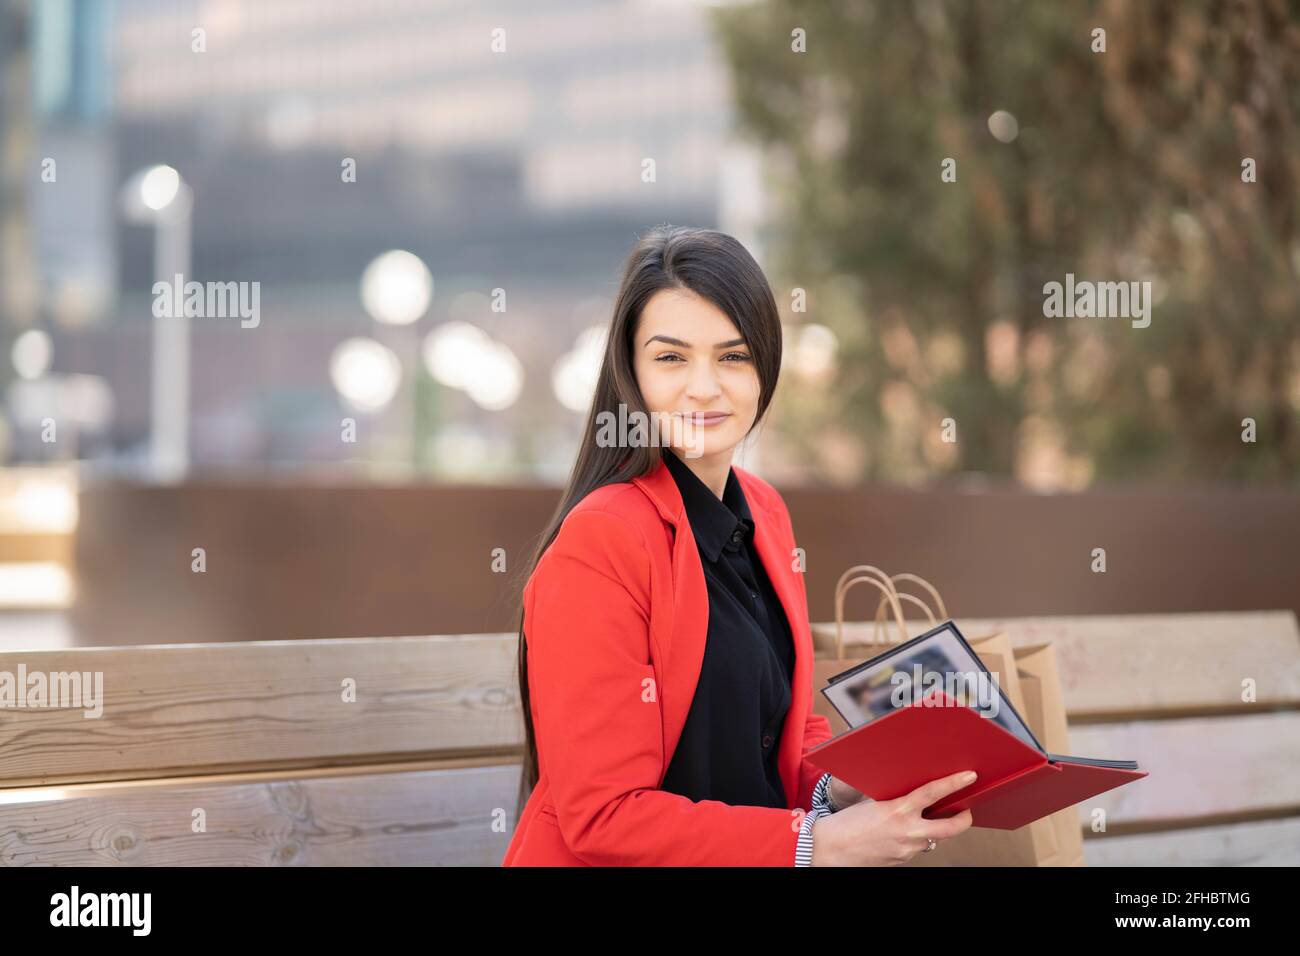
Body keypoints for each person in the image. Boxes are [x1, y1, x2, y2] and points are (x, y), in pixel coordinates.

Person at [502, 225, 974, 866]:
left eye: (733, 356)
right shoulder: (603, 540)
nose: (705, 387)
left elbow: (779, 743)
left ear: (765, 369)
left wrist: (848, 792)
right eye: (671, 358)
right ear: (630, 375)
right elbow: (604, 817)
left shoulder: (766, 514)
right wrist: (815, 846)